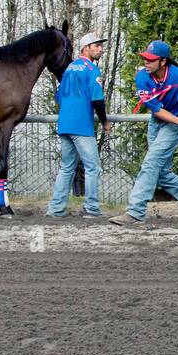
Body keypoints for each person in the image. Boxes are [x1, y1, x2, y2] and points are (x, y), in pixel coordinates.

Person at [110, 40, 178, 226]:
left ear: (163, 62)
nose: (146, 62)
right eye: (145, 58)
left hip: (177, 123)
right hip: (161, 121)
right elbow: (157, 110)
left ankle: (135, 212)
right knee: (159, 172)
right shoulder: (142, 77)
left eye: (151, 60)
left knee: (151, 164)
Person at [47, 32, 110, 217]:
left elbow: (58, 96)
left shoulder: (69, 69)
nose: (100, 49)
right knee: (92, 168)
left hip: (64, 124)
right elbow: (98, 100)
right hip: (82, 125)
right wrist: (105, 121)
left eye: (100, 45)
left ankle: (56, 209)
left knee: (67, 167)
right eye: (96, 45)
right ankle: (91, 209)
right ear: (85, 48)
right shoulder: (92, 70)